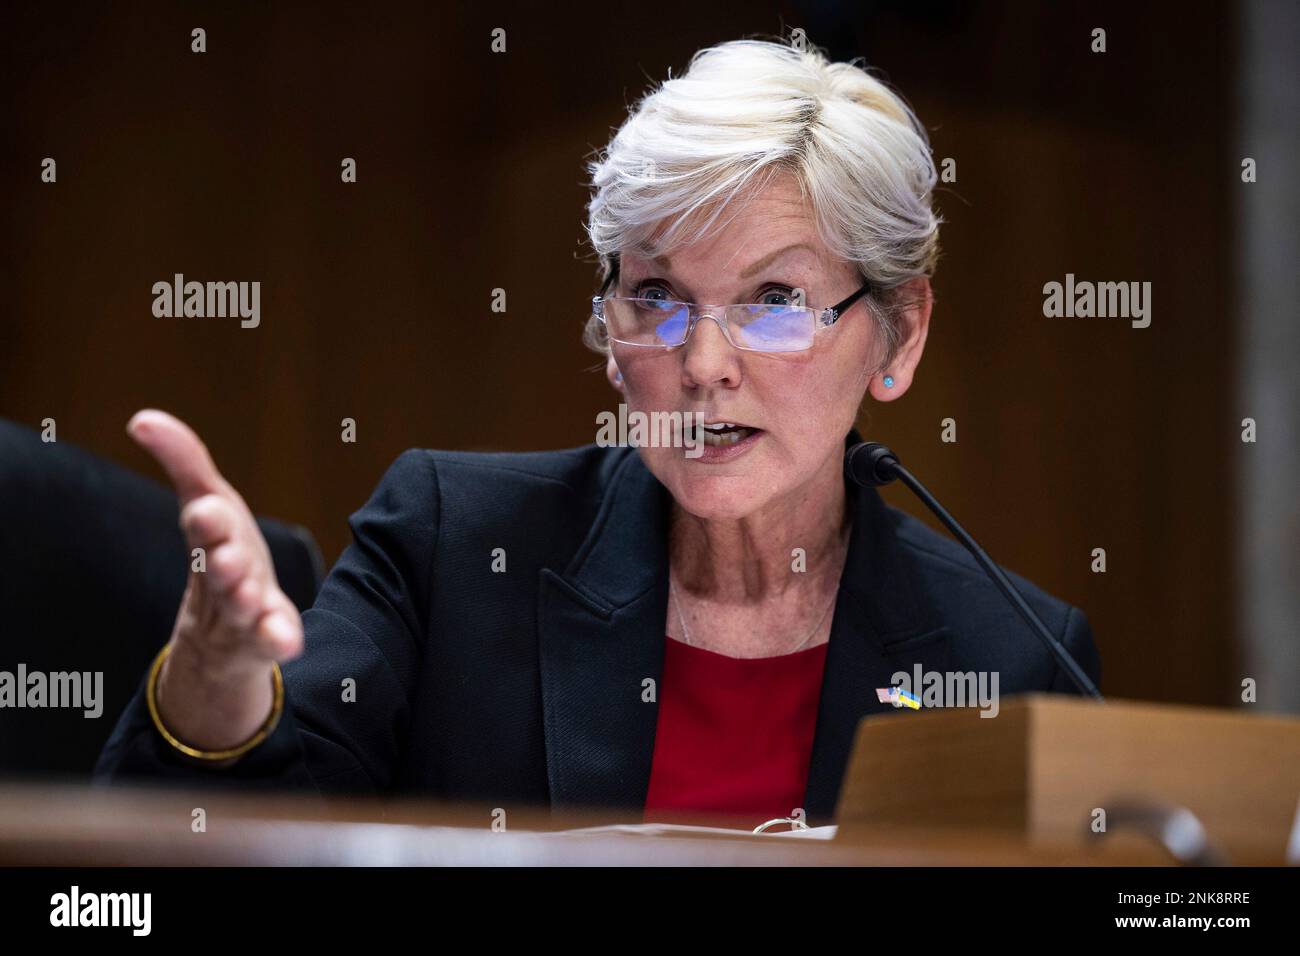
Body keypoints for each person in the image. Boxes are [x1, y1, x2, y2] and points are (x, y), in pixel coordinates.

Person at [96, 38, 1100, 828]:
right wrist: (213, 690)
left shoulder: (1012, 656)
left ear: (900, 331)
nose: (703, 362)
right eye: (657, 294)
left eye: (775, 298)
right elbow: (209, 858)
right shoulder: (452, 548)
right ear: (610, 334)